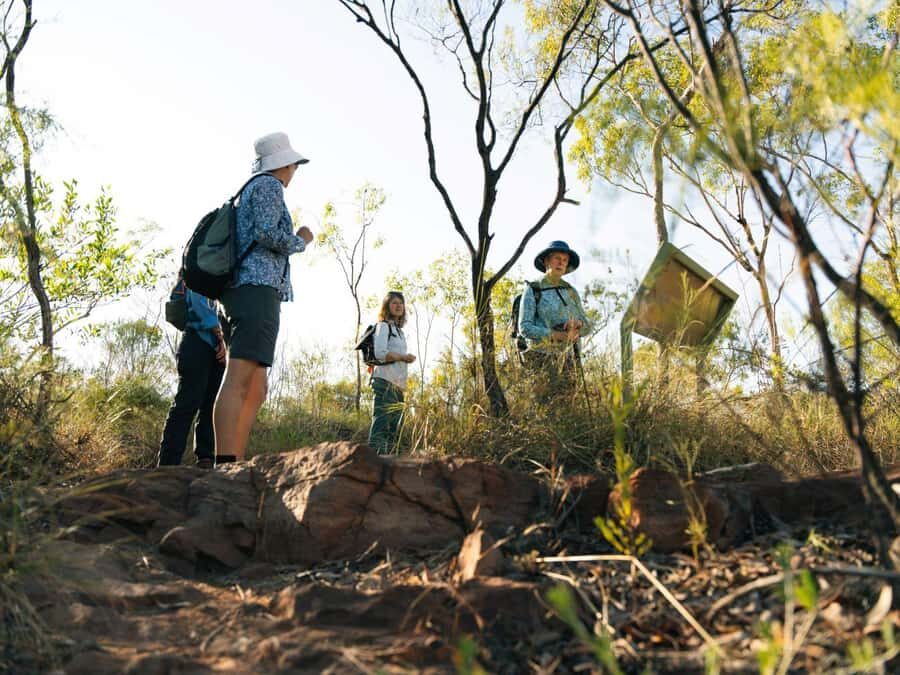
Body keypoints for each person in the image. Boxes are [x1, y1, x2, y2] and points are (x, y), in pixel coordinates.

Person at [213, 132, 314, 464]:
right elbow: (267, 233)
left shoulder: (249, 189)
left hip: (245, 291)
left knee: (257, 389)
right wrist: (300, 240)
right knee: (239, 378)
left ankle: (236, 461)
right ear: (284, 164)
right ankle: (225, 463)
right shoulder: (268, 186)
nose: (294, 171)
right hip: (255, 290)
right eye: (294, 165)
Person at [158, 283, 227, 469]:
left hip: (218, 350)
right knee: (187, 403)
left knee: (210, 406)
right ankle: (167, 465)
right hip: (196, 342)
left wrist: (223, 342)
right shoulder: (199, 268)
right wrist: (218, 334)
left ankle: (206, 460)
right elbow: (197, 300)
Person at [517, 240, 591, 390]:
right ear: (546, 261)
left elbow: (587, 326)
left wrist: (578, 325)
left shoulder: (571, 291)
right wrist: (558, 335)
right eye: (557, 258)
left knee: (570, 402)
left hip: (570, 360)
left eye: (565, 260)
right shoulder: (533, 289)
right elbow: (525, 328)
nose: (561, 263)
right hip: (540, 360)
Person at [368, 291, 415, 454]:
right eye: (394, 303)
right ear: (387, 307)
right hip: (384, 382)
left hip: (398, 385)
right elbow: (380, 353)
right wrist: (403, 357)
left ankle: (387, 461)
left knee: (394, 427)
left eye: (401, 303)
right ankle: (375, 462)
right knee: (382, 424)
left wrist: (404, 359)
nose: (398, 306)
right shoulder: (383, 326)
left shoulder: (399, 332)